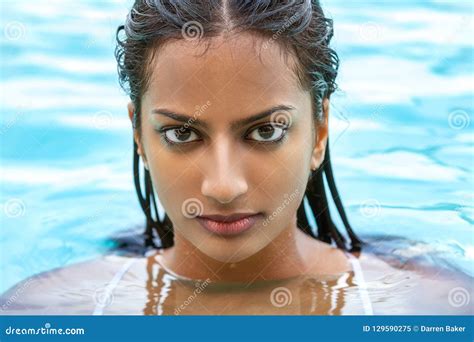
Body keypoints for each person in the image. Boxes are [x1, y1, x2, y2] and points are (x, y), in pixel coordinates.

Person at [1, 0, 471, 316]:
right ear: (138, 134)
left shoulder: (434, 305)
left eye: (265, 131)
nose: (224, 187)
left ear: (320, 131)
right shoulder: (45, 310)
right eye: (182, 133)